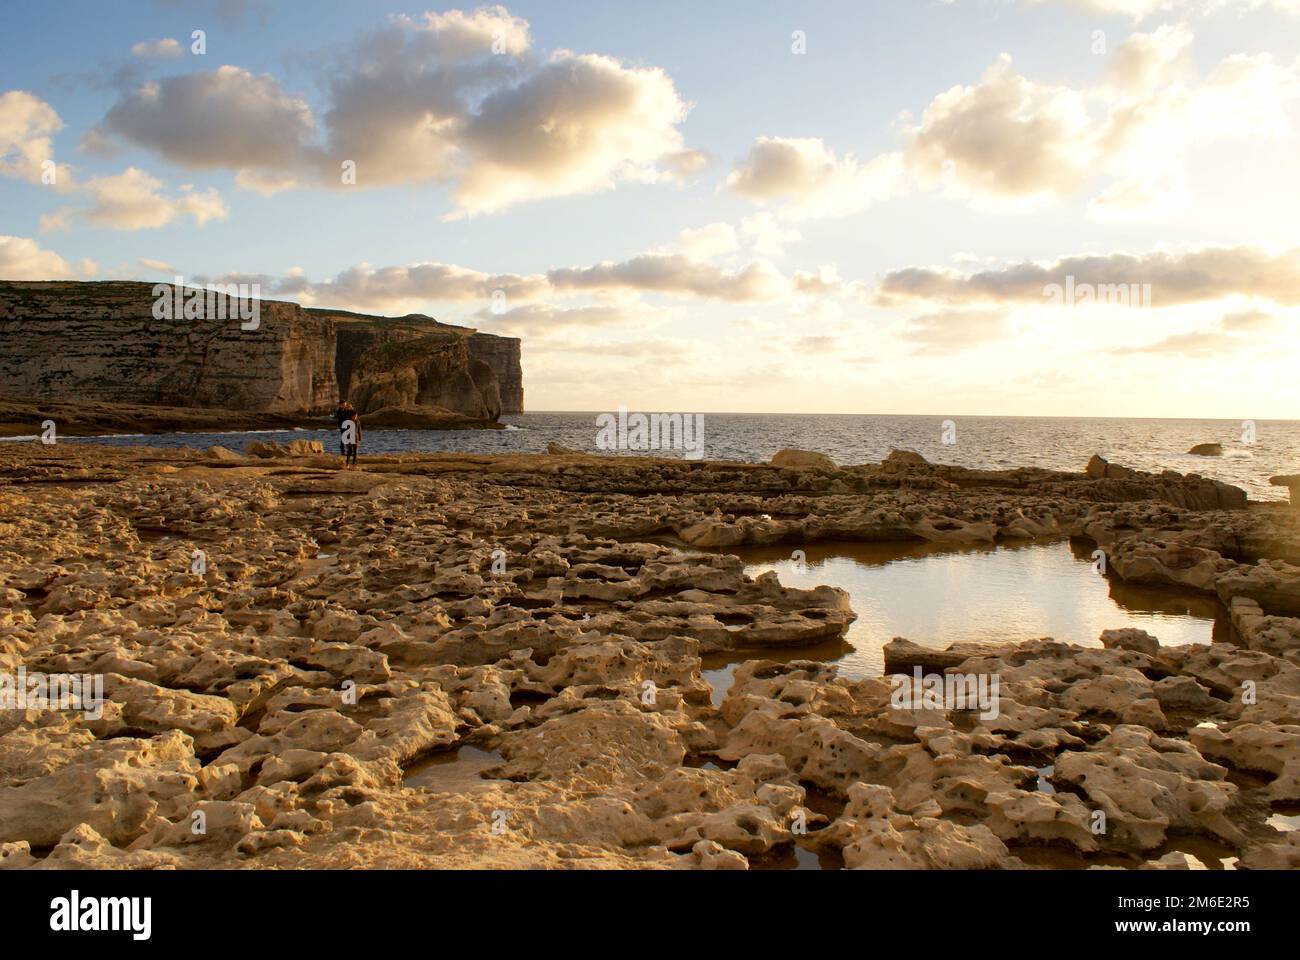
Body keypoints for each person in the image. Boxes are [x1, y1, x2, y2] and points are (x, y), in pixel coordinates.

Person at [335, 400, 360, 469]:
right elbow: (340, 417)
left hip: (350, 430)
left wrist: (350, 410)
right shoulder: (340, 411)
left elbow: (358, 428)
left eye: (345, 405)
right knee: (344, 438)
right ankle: (343, 451)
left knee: (353, 448)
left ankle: (352, 462)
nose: (345, 406)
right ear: (340, 405)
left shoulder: (351, 413)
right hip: (343, 426)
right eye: (344, 404)